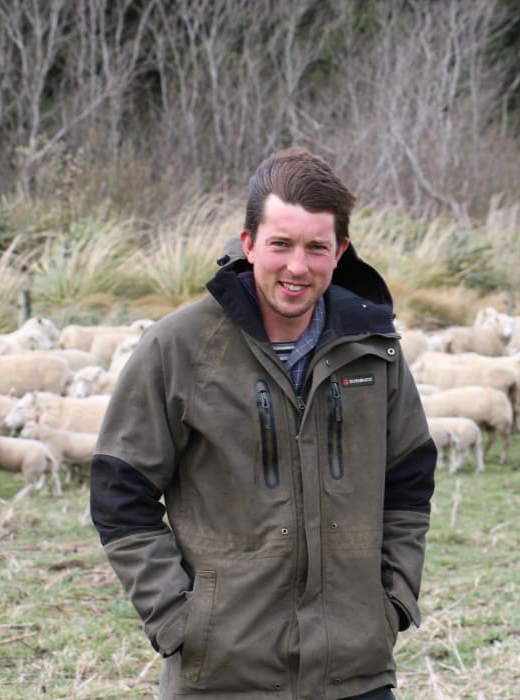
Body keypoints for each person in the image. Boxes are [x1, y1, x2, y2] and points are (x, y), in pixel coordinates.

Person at [90, 147, 437, 699]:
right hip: (221, 678)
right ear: (249, 243)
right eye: (280, 244)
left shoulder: (375, 350)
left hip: (354, 675)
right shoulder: (178, 347)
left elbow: (410, 477)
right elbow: (119, 489)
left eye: (316, 248)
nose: (297, 267)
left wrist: (391, 600)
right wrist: (178, 619)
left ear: (339, 251)